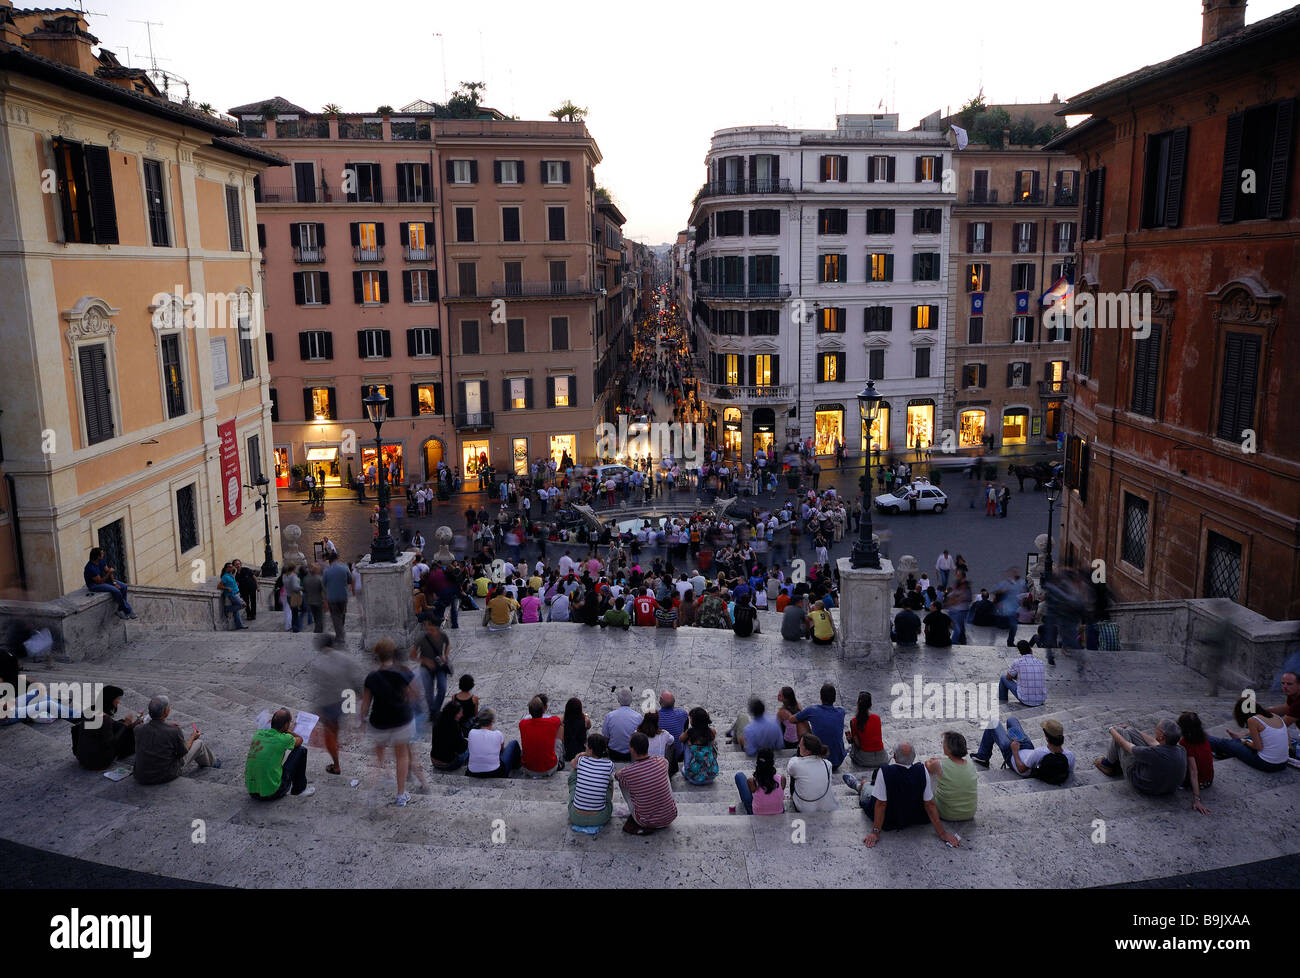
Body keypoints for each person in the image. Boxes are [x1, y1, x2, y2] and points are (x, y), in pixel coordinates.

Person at [843, 742, 960, 848]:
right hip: (914, 817)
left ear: (894, 756)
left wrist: (875, 832)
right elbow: (929, 804)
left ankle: (859, 786)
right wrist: (942, 833)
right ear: (914, 757)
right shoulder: (922, 770)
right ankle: (867, 784)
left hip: (890, 820)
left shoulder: (884, 771)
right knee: (877, 787)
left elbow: (881, 805)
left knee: (868, 791)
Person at [359, 639, 421, 805]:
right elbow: (414, 694)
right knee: (401, 756)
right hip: (401, 720)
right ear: (393, 653)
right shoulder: (404, 673)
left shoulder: (371, 677)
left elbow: (365, 705)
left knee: (378, 754)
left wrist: (362, 721)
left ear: (377, 656)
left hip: (379, 722)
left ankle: (374, 787)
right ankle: (401, 795)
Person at [133, 694, 219, 784]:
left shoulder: (138, 729)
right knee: (199, 744)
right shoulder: (174, 731)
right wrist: (193, 737)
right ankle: (213, 763)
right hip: (164, 775)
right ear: (166, 712)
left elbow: (154, 728)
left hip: (141, 775)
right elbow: (184, 751)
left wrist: (166, 725)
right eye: (169, 707)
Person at [1094, 719, 1188, 796]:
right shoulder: (1181, 750)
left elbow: (1126, 745)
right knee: (1129, 731)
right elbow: (1153, 742)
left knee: (1120, 732)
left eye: (1157, 728)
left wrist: (1111, 729)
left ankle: (1107, 764)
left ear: (1162, 736)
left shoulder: (1154, 753)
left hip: (1144, 785)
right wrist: (1130, 728)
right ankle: (1127, 733)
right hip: (1168, 788)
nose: (1155, 729)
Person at [972, 717, 1075, 786]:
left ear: (1047, 738)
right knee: (1012, 720)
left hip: (1013, 754)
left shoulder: (1039, 753)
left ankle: (983, 756)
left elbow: (1021, 769)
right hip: (1028, 749)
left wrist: (1015, 751)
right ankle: (1011, 738)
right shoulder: (1069, 755)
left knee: (993, 723)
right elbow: (1069, 773)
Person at [312, 633, 362, 775]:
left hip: (329, 703)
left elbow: (318, 689)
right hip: (346, 699)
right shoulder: (345, 658)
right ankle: (343, 734)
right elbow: (356, 678)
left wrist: (316, 709)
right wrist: (360, 695)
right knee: (338, 724)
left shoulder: (318, 663)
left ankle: (336, 765)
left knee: (330, 732)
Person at [615, 731, 678, 835]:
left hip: (645, 822)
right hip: (670, 816)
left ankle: (638, 809)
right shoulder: (661, 761)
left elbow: (617, 775)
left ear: (632, 749)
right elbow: (665, 764)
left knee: (622, 782)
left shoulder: (628, 772)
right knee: (663, 774)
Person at [245, 707, 315, 800]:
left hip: (252, 792)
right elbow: (300, 740)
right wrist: (288, 731)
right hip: (272, 792)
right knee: (301, 750)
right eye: (289, 723)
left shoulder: (258, 734)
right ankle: (299, 790)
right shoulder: (284, 739)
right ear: (286, 725)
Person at [1208, 695, 1290, 773]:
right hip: (1283, 763)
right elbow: (1288, 742)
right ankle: (1238, 740)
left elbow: (1258, 747)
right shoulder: (1276, 717)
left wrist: (1246, 742)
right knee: (1244, 741)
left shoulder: (1252, 720)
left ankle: (1202, 737)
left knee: (1226, 743)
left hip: (1267, 764)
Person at [71, 685, 139, 770]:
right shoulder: (104, 719)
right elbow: (111, 743)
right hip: (99, 762)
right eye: (117, 699)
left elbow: (114, 725)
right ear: (110, 699)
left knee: (122, 724)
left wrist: (131, 724)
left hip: (82, 756)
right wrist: (126, 725)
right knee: (129, 734)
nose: (118, 702)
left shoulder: (90, 710)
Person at [923, 731, 978, 822]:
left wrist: (934, 761)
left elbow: (927, 765)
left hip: (947, 814)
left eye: (943, 743)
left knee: (929, 773)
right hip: (970, 812)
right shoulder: (970, 763)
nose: (942, 745)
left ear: (949, 748)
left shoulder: (940, 764)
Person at [568, 733, 616, 831]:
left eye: (586, 746)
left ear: (590, 749)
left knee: (574, 774)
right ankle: (606, 800)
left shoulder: (581, 760)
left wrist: (581, 754)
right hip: (600, 818)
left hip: (576, 817)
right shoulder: (609, 765)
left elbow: (572, 764)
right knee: (609, 779)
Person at [795, 683, 847, 770]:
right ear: (834, 698)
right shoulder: (841, 711)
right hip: (837, 761)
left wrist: (802, 711)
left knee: (800, 721)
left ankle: (802, 750)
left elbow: (792, 719)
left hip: (820, 761)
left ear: (820, 697)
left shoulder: (812, 710)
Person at [411, 616, 452, 722]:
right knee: (429, 692)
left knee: (442, 688)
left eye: (427, 625)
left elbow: (448, 645)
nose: (426, 628)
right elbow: (412, 655)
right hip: (425, 668)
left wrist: (445, 656)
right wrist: (425, 661)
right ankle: (433, 713)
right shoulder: (421, 637)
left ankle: (435, 710)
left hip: (439, 666)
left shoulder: (442, 635)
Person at [786, 733, 838, 812]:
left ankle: (792, 797)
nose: (799, 747)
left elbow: (789, 770)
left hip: (804, 808)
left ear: (807, 751)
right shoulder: (827, 764)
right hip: (828, 806)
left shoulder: (795, 764)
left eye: (800, 745)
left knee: (794, 773)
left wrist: (798, 758)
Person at [466, 708, 522, 778]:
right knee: (513, 743)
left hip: (472, 772)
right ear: (492, 721)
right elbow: (501, 750)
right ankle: (517, 766)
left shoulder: (471, 733)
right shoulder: (498, 734)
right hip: (495, 772)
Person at [1177, 711, 1213, 815]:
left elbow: (1193, 771)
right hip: (1209, 779)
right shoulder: (1204, 737)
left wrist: (1197, 799)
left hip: (1199, 782)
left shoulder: (1186, 742)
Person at [84, 546, 136, 619]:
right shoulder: (90, 568)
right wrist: (109, 574)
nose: (103, 555)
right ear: (97, 556)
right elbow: (100, 582)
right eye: (102, 554)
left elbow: (108, 571)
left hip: (104, 579)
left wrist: (114, 583)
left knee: (124, 586)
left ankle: (120, 609)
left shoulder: (101, 561)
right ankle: (128, 610)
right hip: (94, 585)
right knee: (116, 591)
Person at [520, 694, 564, 776]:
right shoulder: (551, 722)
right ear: (544, 709)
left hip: (528, 768)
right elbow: (561, 719)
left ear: (529, 712)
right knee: (560, 727)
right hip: (549, 768)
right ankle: (560, 760)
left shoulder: (522, 723)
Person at [735, 747, 784, 815]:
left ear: (757, 762)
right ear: (773, 762)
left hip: (757, 814)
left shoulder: (752, 781)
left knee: (739, 776)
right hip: (779, 812)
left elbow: (752, 790)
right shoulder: (782, 779)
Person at [848, 691, 888, 769]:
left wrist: (851, 739)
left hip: (865, 759)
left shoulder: (854, 721)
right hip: (882, 757)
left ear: (857, 704)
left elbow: (858, 744)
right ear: (870, 706)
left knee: (853, 747)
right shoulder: (877, 718)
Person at [602, 687, 643, 762]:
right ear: (631, 700)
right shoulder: (638, 717)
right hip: (631, 754)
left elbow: (606, 737)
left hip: (614, 753)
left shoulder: (610, 716)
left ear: (618, 700)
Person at [999, 640, 1046, 706]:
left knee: (1003, 678)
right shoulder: (1040, 662)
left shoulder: (1018, 662)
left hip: (1026, 700)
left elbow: (1008, 677)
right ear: (1031, 650)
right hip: (1041, 699)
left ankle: (1002, 703)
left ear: (1020, 652)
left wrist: (1017, 677)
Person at [681, 707, 719, 784]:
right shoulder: (712, 731)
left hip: (694, 779)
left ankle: (687, 766)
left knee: (686, 743)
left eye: (690, 718)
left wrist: (690, 743)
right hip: (710, 777)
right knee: (710, 744)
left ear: (694, 721)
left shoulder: (690, 732)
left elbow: (680, 739)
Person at [429, 700, 470, 770]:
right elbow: (461, 749)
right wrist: (467, 742)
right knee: (470, 747)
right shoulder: (454, 727)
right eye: (460, 713)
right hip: (448, 764)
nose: (462, 715)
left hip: (434, 760)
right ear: (453, 714)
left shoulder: (438, 717)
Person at [322, 553, 351, 641]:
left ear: (329, 560)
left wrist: (325, 599)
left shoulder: (327, 571)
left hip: (332, 597)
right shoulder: (345, 567)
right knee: (342, 614)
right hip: (343, 596)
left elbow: (323, 584)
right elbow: (350, 580)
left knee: (335, 617)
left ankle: (340, 635)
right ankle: (341, 631)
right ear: (337, 558)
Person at [563, 697, 592, 763]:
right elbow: (589, 726)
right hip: (581, 750)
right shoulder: (585, 720)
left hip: (568, 751)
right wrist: (585, 715)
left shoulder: (564, 721)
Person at [302, 562, 325, 633]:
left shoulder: (306, 579)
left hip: (310, 601)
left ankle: (317, 629)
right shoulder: (319, 579)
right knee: (320, 617)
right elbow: (323, 590)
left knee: (315, 616)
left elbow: (304, 590)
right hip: (319, 600)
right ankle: (318, 631)